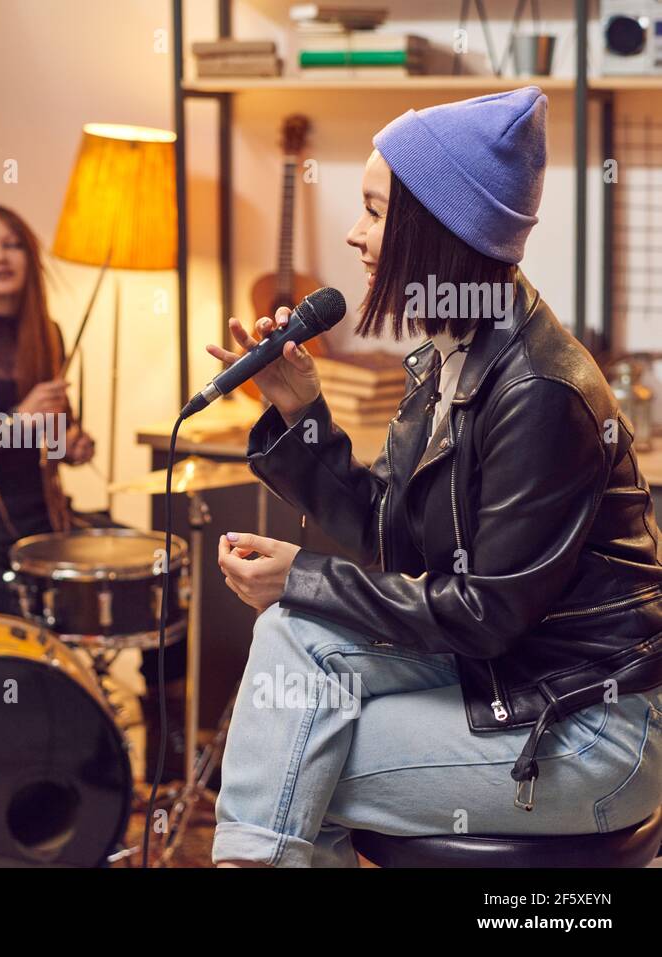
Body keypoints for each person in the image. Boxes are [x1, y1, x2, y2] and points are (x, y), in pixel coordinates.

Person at [209, 86, 662, 867]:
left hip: (593, 724)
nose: (354, 235)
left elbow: (485, 610)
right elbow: (393, 535)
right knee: (290, 656)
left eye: (376, 211)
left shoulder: (541, 393)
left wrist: (303, 576)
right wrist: (301, 415)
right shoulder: (452, 354)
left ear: (439, 229)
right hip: (510, 672)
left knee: (291, 754)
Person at [0, 203, 186, 783]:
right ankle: (23, 761)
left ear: (28, 257)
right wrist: (15, 421)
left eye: (10, 244)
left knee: (161, 573)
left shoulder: (49, 332)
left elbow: (53, 438)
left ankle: (167, 756)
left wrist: (72, 444)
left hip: (44, 519)